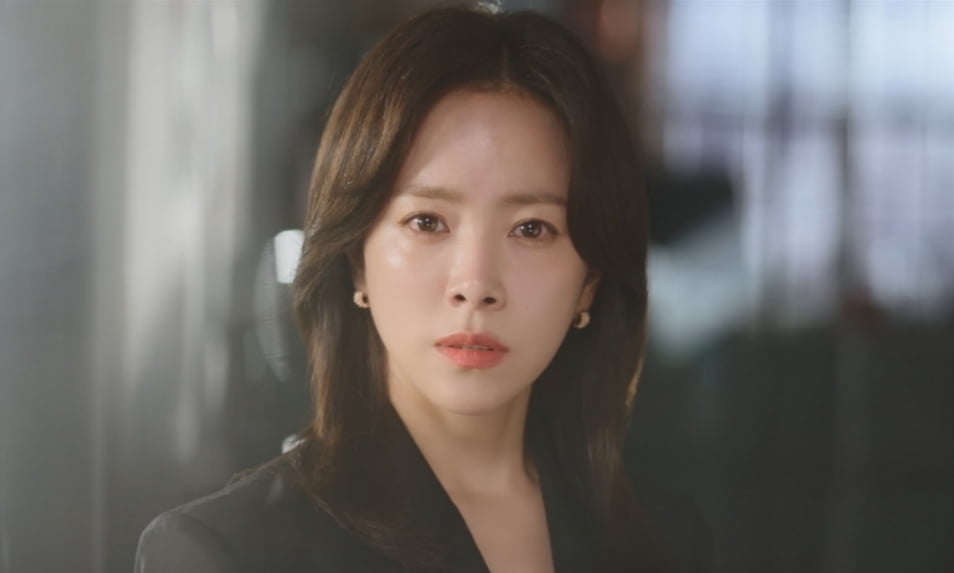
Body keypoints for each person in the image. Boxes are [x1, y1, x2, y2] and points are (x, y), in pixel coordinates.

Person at [136, 3, 704, 572]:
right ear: (357, 259)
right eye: (427, 222)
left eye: (531, 229)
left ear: (589, 282)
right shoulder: (227, 553)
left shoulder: (664, 541)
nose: (475, 284)